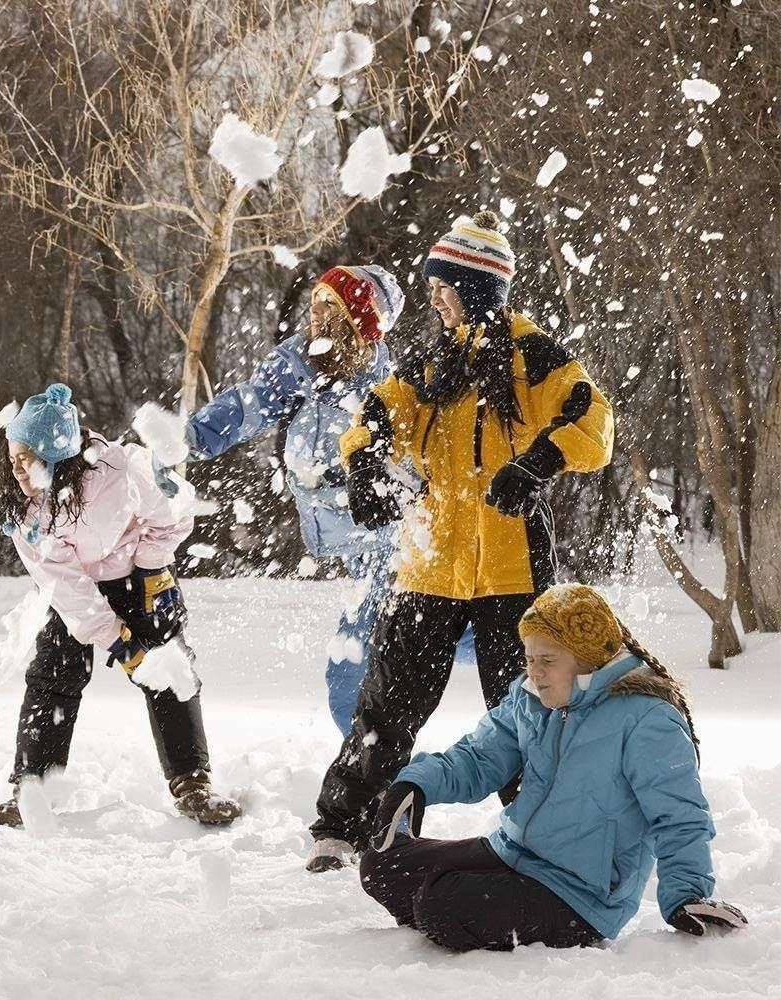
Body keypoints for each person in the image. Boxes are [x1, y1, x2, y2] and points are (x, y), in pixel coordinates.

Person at [306, 212, 615, 872]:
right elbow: (375, 416)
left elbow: (594, 418)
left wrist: (537, 462)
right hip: (430, 562)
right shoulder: (434, 365)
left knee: (530, 710)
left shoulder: (539, 360)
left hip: (514, 569)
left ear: (477, 287)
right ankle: (344, 824)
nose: (435, 298)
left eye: (444, 284)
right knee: (386, 704)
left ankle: (547, 835)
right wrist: (363, 464)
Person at [359, 584, 747, 951]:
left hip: (578, 896)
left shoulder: (647, 718)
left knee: (440, 903)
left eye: (547, 660)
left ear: (586, 659)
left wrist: (687, 895)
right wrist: (415, 784)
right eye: (529, 658)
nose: (534, 672)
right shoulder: (531, 698)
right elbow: (479, 757)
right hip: (512, 854)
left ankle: (455, 899)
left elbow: (679, 816)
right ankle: (458, 895)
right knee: (379, 864)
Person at [174, 264, 421, 730]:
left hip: (384, 539)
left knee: (352, 663)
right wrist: (190, 438)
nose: (316, 312)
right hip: (346, 535)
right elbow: (252, 403)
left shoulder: (384, 387)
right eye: (315, 301)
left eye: (331, 304)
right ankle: (518, 640)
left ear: (358, 320)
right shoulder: (302, 362)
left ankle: (365, 767)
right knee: (432, 631)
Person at [0, 383, 241, 828]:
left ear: (54, 454)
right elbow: (65, 586)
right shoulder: (25, 515)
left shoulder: (124, 469)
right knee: (53, 675)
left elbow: (176, 514)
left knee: (168, 667)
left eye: (26, 460)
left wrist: (149, 569)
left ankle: (193, 781)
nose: (18, 473)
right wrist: (118, 642)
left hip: (141, 577)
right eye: (13, 462)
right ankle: (33, 788)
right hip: (81, 590)